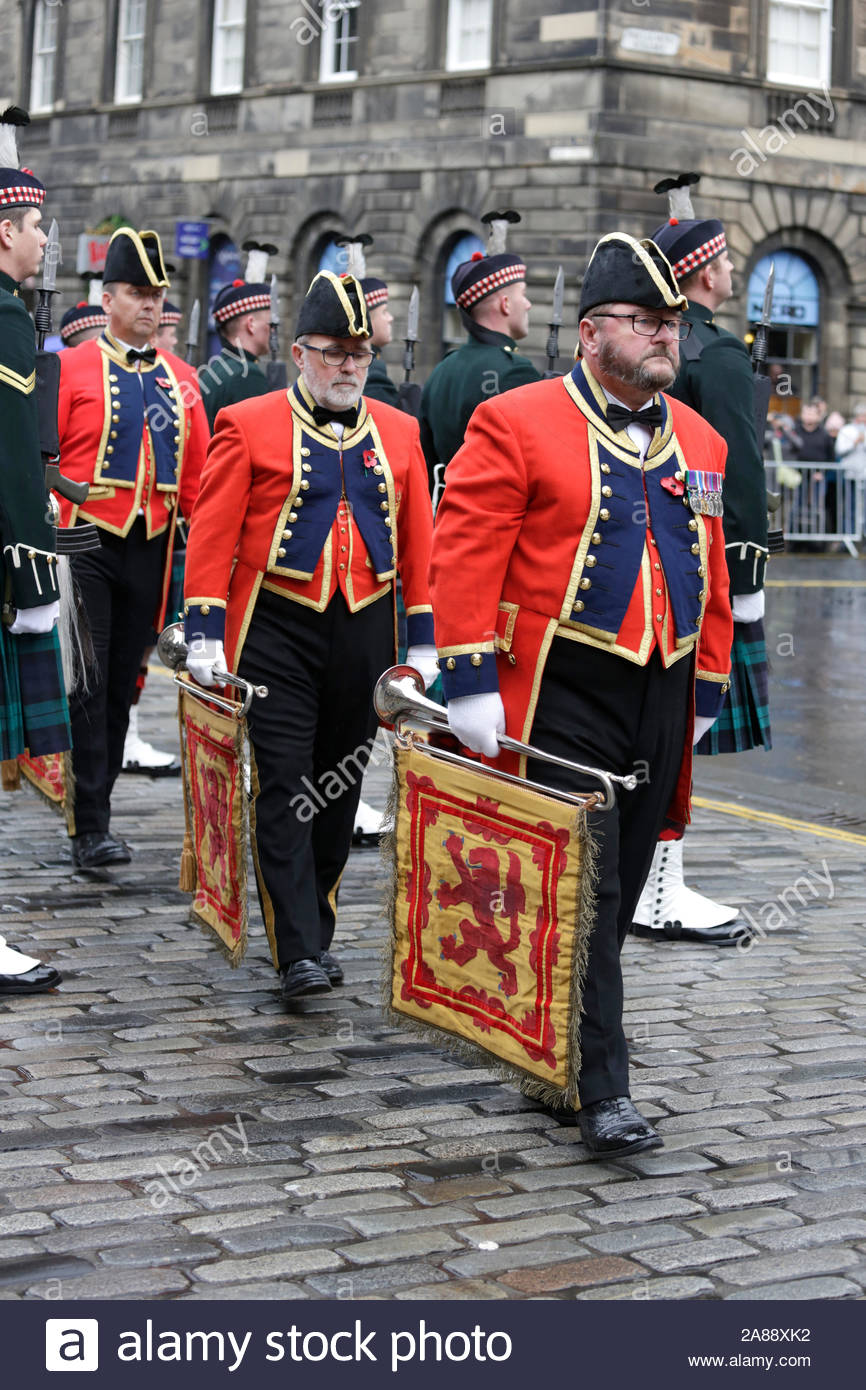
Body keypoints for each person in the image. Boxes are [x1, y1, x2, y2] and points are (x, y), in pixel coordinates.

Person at [429, 232, 733, 1157]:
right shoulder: (517, 420)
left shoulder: (704, 438)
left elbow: (710, 567)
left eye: (671, 322)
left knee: (625, 882)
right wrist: (470, 676)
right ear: (593, 330)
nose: (664, 338)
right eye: (645, 322)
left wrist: (711, 675)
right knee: (592, 886)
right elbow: (467, 548)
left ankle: (554, 1051)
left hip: (662, 684)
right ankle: (604, 1086)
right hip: (560, 683)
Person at [183, 270, 436, 1002]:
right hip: (276, 631)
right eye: (333, 353)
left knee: (341, 784)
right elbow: (213, 533)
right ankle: (295, 948)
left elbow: (422, 544)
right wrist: (205, 631)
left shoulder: (401, 431)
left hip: (365, 631)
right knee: (287, 784)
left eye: (358, 354)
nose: (349, 366)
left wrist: (421, 647)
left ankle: (315, 925)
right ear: (300, 353)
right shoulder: (250, 422)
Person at [630, 180, 770, 945]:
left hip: (655, 562)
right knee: (675, 736)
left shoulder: (677, 349)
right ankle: (660, 890)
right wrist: (745, 585)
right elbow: (737, 475)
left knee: (659, 730)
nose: (729, 271)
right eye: (721, 260)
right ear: (705, 273)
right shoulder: (715, 356)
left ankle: (657, 883)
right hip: (704, 569)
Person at [56, 226, 206, 868]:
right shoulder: (70, 367)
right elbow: (45, 455)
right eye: (136, 294)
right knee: (88, 682)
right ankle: (90, 823)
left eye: (157, 296)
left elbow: (199, 474)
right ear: (107, 299)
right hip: (86, 541)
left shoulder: (185, 380)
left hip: (153, 544)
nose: (150, 306)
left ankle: (101, 806)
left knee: (123, 682)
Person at [0, 105, 68, 992]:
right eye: (36, 224)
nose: (46, 239)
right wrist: (30, 568)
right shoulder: (10, 323)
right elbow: (13, 455)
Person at [419, 211, 540, 501]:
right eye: (523, 294)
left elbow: (426, 459)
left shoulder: (441, 371)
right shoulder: (515, 372)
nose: (529, 304)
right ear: (506, 304)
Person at [199, 277, 271, 431]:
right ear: (251, 324)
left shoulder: (215, 369)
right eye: (270, 324)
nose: (273, 330)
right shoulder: (247, 374)